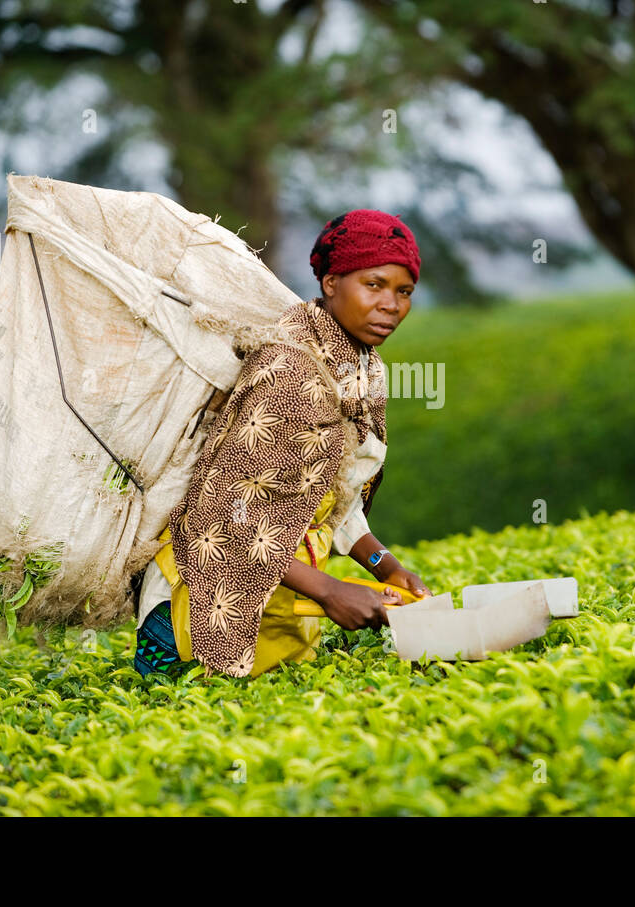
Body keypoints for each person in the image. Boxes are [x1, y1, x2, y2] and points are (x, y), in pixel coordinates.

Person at [133, 209, 432, 680]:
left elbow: (331, 497)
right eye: (374, 285)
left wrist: (385, 566)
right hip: (204, 601)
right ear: (332, 282)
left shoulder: (363, 369)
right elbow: (225, 513)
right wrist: (331, 590)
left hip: (284, 600)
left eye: (404, 291)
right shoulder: (290, 369)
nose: (391, 304)